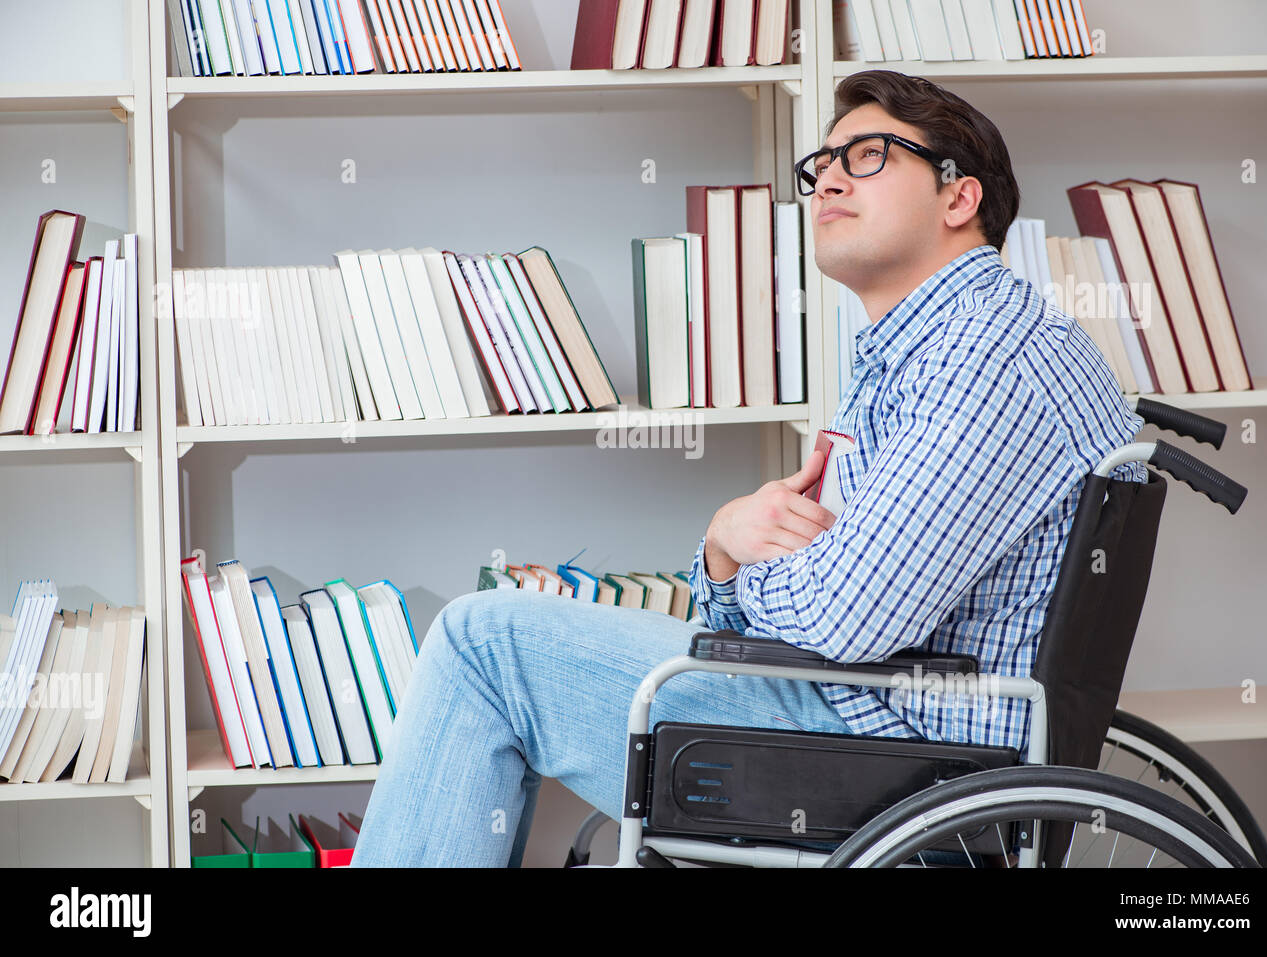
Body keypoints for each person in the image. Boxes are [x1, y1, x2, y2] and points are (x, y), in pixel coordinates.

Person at [350, 70, 1145, 868]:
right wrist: (730, 550)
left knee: (485, 642)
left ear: (958, 198)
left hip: (897, 761)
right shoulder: (933, 348)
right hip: (869, 723)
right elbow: (807, 601)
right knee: (496, 635)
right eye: (822, 163)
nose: (827, 178)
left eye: (868, 155)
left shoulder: (985, 355)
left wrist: (740, 552)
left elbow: (845, 619)